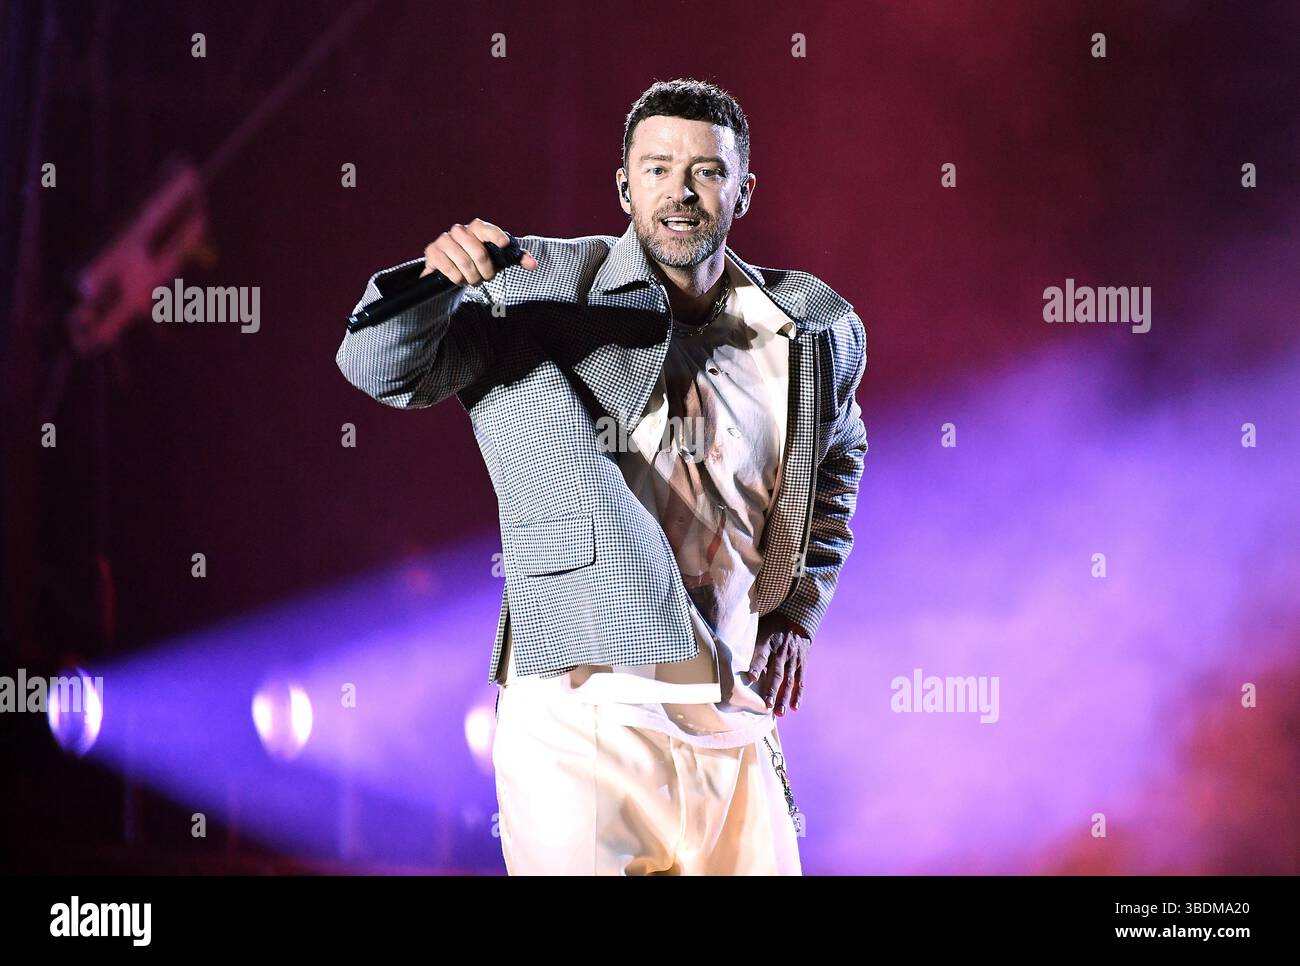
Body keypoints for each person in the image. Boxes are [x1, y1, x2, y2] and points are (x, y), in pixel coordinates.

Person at [336, 77, 867, 875]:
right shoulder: (536, 286)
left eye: (707, 172)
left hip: (734, 714)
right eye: (657, 169)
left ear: (744, 191)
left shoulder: (809, 327)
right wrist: (433, 281)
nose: (680, 192)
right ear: (623, 185)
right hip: (581, 709)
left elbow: (838, 459)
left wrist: (796, 608)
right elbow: (377, 366)